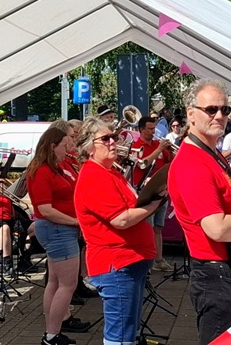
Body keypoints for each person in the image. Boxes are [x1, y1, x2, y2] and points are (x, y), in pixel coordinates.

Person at [168, 79, 231, 345]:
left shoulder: (210, 154)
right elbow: (217, 229)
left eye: (224, 110)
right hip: (222, 280)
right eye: (211, 109)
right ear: (191, 114)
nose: (219, 116)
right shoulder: (193, 162)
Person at [74, 116, 162, 345]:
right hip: (117, 264)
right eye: (106, 138)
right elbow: (121, 220)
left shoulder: (109, 171)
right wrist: (153, 205)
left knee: (127, 331)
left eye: (113, 137)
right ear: (89, 147)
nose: (114, 141)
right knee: (120, 335)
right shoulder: (94, 176)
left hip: (130, 262)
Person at [27, 127, 87, 345]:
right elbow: (45, 209)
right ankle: (52, 334)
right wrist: (75, 221)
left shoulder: (54, 168)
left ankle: (52, 331)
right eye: (64, 145)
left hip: (60, 228)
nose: (67, 149)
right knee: (67, 285)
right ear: (52, 147)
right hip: (57, 229)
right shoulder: (42, 171)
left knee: (54, 282)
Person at [131, 116, 174, 273]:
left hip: (161, 190)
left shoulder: (158, 145)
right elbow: (143, 164)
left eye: (154, 128)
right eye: (149, 129)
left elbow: (170, 164)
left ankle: (158, 259)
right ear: (141, 130)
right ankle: (146, 260)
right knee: (147, 227)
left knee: (158, 227)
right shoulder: (136, 146)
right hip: (145, 191)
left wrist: (170, 151)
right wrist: (159, 150)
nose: (153, 132)